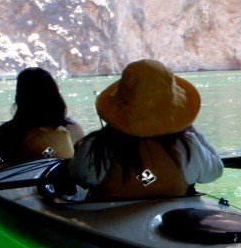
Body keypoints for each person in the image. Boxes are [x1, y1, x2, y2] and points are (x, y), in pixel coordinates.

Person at [69, 59, 223, 200]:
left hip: (111, 222)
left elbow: (76, 175)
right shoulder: (188, 146)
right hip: (168, 223)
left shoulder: (96, 148)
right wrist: (190, 129)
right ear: (173, 109)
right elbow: (216, 169)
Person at [0, 67, 85, 168]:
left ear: (20, 97)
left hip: (21, 188)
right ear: (55, 95)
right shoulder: (73, 127)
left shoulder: (10, 130)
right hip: (62, 186)